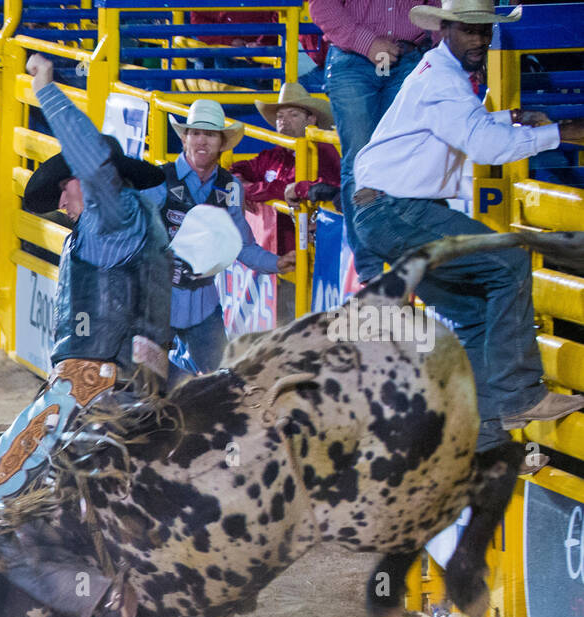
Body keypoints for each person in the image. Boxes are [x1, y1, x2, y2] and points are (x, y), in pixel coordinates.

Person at [0, 54, 184, 617]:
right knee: (24, 513)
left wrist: (47, 91)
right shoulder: (134, 232)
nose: (61, 201)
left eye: (65, 186)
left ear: (88, 179)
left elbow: (97, 169)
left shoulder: (116, 218)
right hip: (128, 392)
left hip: (87, 388)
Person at [353, 0, 584, 450]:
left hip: (388, 213)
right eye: (469, 30)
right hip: (400, 211)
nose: (479, 40)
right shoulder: (444, 79)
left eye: (485, 32)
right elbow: (483, 145)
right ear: (443, 30)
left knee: (477, 313)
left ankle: (485, 447)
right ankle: (519, 395)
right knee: (509, 259)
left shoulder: (437, 75)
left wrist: (509, 119)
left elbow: (463, 126)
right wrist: (563, 132)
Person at [150, 100, 294, 382]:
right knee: (148, 383)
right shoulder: (158, 182)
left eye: (210, 134)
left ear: (221, 143)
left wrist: (277, 263)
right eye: (196, 133)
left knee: (224, 383)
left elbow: (242, 245)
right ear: (184, 137)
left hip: (204, 304)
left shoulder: (230, 187)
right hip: (156, 303)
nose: (202, 140)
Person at [309, 0, 437, 280]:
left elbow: (438, 6)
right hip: (353, 57)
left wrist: (443, 57)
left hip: (409, 57)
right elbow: (321, 6)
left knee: (403, 159)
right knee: (361, 160)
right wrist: (367, 42)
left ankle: (398, 258)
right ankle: (371, 270)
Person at [233, 82, 341, 256]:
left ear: (311, 119)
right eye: (280, 115)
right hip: (280, 253)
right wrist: (247, 188)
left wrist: (246, 190)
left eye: (293, 114)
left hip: (312, 253)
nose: (284, 120)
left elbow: (297, 188)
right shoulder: (275, 154)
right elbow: (238, 170)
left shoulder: (321, 152)